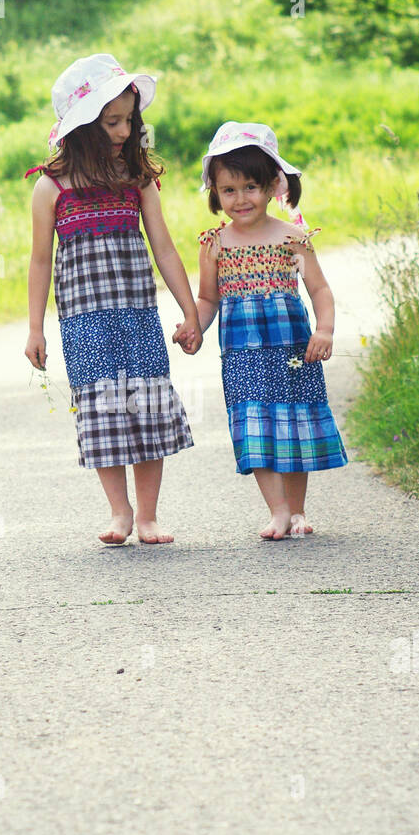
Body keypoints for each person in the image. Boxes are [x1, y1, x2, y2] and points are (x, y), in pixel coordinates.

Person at [25, 52, 202, 545]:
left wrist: (190, 310)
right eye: (112, 122)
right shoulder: (51, 187)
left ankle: (148, 516)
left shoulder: (137, 181)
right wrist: (35, 327)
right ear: (83, 126)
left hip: (139, 317)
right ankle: (119, 513)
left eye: (129, 120)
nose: (125, 131)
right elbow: (40, 261)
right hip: (83, 322)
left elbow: (163, 246)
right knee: (103, 414)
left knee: (147, 407)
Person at [179, 121, 348, 539]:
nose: (240, 199)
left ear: (274, 185)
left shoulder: (292, 239)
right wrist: (193, 328)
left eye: (250, 187)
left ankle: (297, 512)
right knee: (254, 426)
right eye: (229, 190)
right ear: (215, 193)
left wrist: (324, 330)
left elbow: (320, 288)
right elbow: (208, 299)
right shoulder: (214, 244)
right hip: (242, 354)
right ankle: (277, 511)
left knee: (294, 425)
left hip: (292, 350)